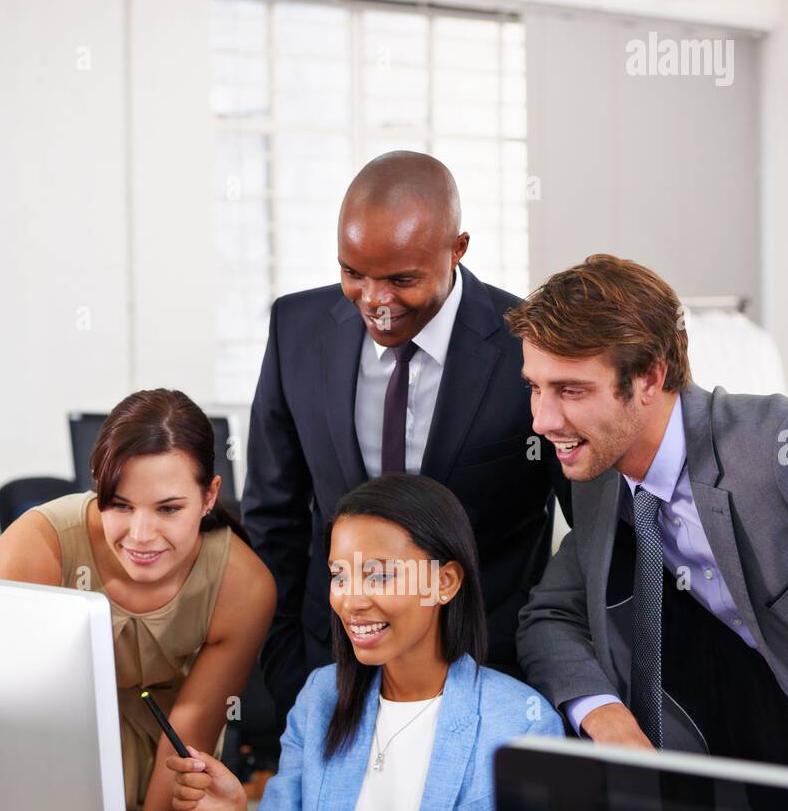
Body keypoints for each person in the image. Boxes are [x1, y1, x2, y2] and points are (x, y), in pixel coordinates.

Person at [167, 474, 563, 811]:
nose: (351, 601)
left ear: (444, 582)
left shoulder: (521, 726)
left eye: (377, 575)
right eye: (339, 575)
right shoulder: (321, 698)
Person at [241, 149, 570, 727]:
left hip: (486, 672)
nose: (376, 301)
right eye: (353, 273)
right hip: (332, 666)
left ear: (458, 249)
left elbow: (587, 541)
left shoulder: (529, 343)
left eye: (402, 279)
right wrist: (287, 668)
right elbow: (273, 517)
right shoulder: (296, 329)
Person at [510, 254, 788, 765]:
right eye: (535, 388)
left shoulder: (785, 449)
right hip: (742, 770)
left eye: (571, 390)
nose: (542, 421)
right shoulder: (598, 475)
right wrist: (603, 714)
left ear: (649, 379)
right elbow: (550, 616)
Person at [0, 389, 276, 811]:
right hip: (52, 760)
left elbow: (186, 735)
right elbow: (13, 732)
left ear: (209, 496)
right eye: (119, 505)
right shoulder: (37, 547)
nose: (141, 535)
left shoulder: (242, 583)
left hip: (163, 760)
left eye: (169, 508)